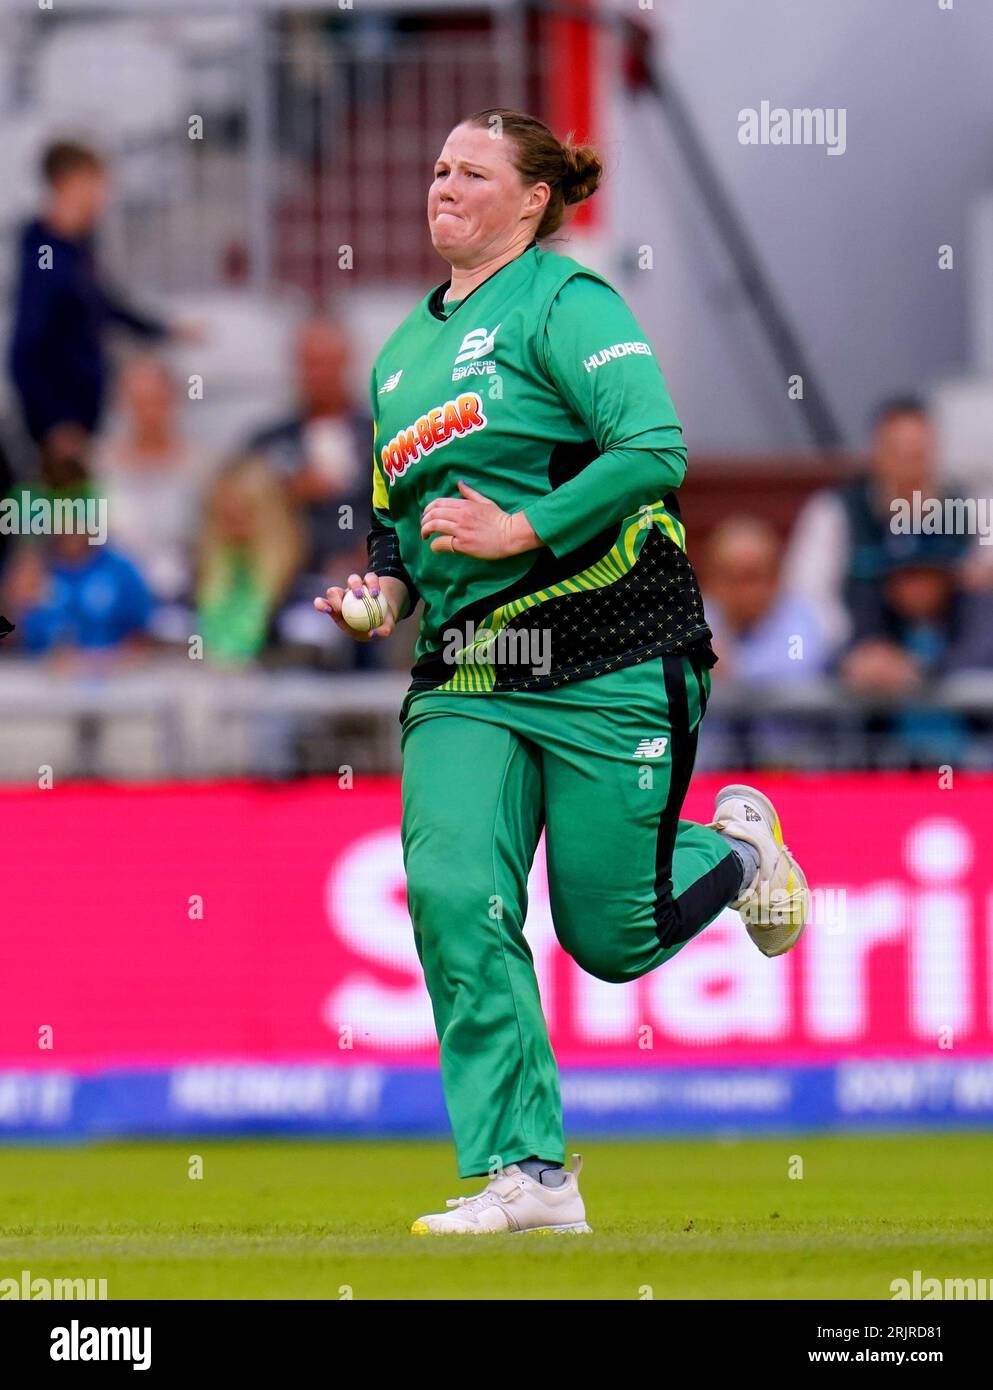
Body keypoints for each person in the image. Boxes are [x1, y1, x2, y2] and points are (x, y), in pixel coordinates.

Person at [314, 110, 810, 1235]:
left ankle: (742, 853)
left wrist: (524, 530)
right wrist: (376, 594)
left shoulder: (564, 301)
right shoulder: (397, 359)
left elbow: (654, 451)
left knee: (611, 936)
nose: (444, 184)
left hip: (613, 647)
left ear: (532, 200)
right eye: (437, 167)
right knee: (452, 897)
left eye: (473, 171)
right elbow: (401, 529)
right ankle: (529, 1174)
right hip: (469, 669)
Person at [8, 141, 186, 448]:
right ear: (71, 184)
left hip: (84, 419)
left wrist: (164, 329)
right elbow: (26, 349)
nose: (103, 198)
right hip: (62, 431)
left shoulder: (76, 249)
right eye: (97, 186)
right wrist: (54, 423)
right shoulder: (46, 252)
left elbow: (104, 302)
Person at [781, 397, 971, 650]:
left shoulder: (967, 509)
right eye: (900, 453)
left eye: (919, 454)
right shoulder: (834, 511)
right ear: (877, 453)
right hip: (857, 662)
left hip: (953, 658)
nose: (910, 467)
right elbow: (804, 596)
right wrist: (854, 647)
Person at [93, 355, 216, 635]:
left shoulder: (202, 468)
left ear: (173, 401)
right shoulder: (99, 466)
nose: (148, 412)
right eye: (138, 401)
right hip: (111, 593)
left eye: (156, 401)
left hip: (181, 596)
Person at [196, 455, 305, 666]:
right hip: (206, 685)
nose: (235, 524)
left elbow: (306, 657)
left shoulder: (299, 582)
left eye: (244, 512)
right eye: (225, 515)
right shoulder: (196, 574)